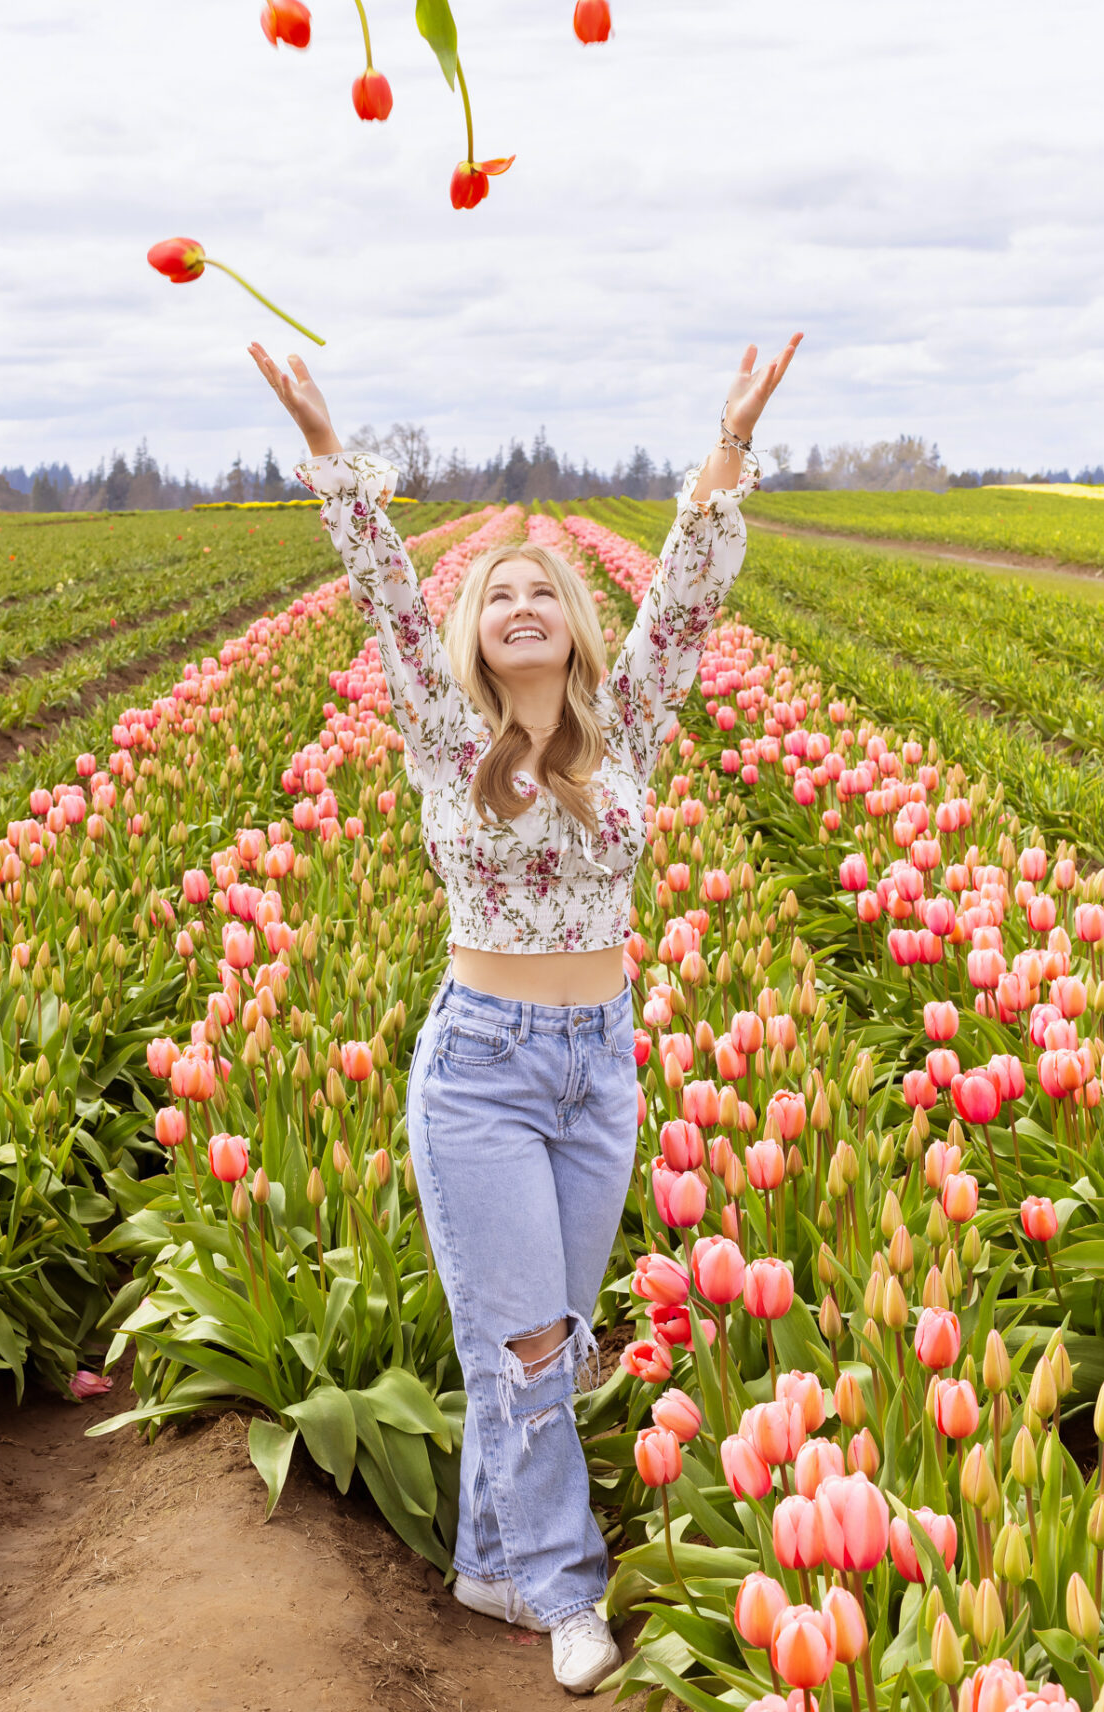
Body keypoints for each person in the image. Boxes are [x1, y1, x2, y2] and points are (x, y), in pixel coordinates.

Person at [249, 332, 799, 1695]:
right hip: (483, 1067)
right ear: (474, 633)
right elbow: (381, 592)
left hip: (598, 1063)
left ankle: (489, 1559)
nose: (516, 603)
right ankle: (561, 1588)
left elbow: (682, 601)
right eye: (494, 593)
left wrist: (725, 447)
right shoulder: (444, 734)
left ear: (570, 621)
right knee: (533, 1341)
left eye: (538, 589)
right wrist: (330, 455)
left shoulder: (629, 725)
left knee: (537, 1325)